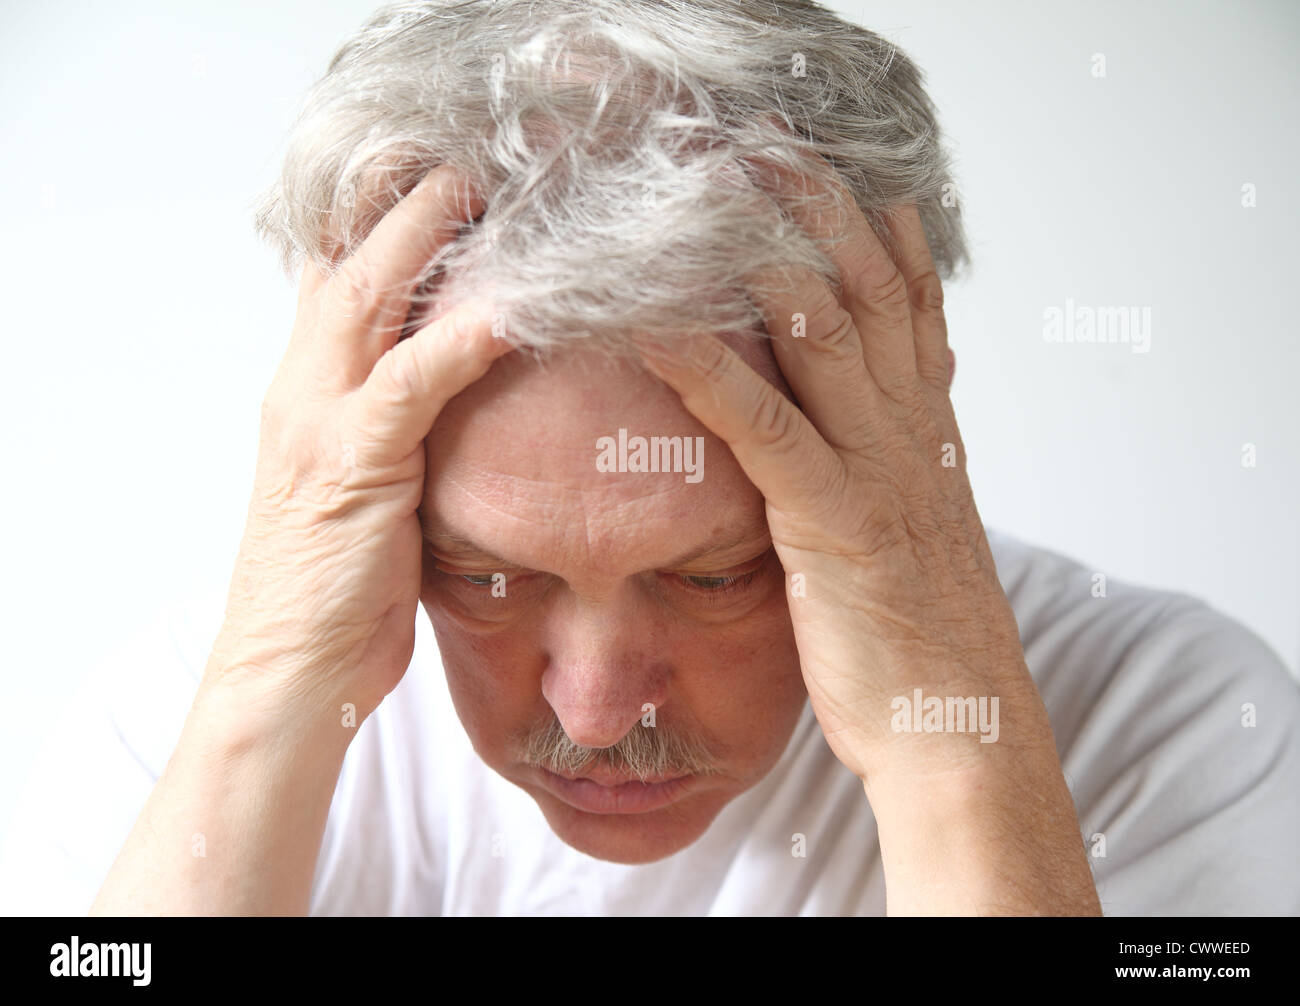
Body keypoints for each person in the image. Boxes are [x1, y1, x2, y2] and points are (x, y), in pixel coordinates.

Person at [4, 0, 1296, 916]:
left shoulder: (1169, 730)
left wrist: (952, 753)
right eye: (485, 576)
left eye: (715, 574)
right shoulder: (201, 724)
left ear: (902, 439)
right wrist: (257, 723)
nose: (596, 713)